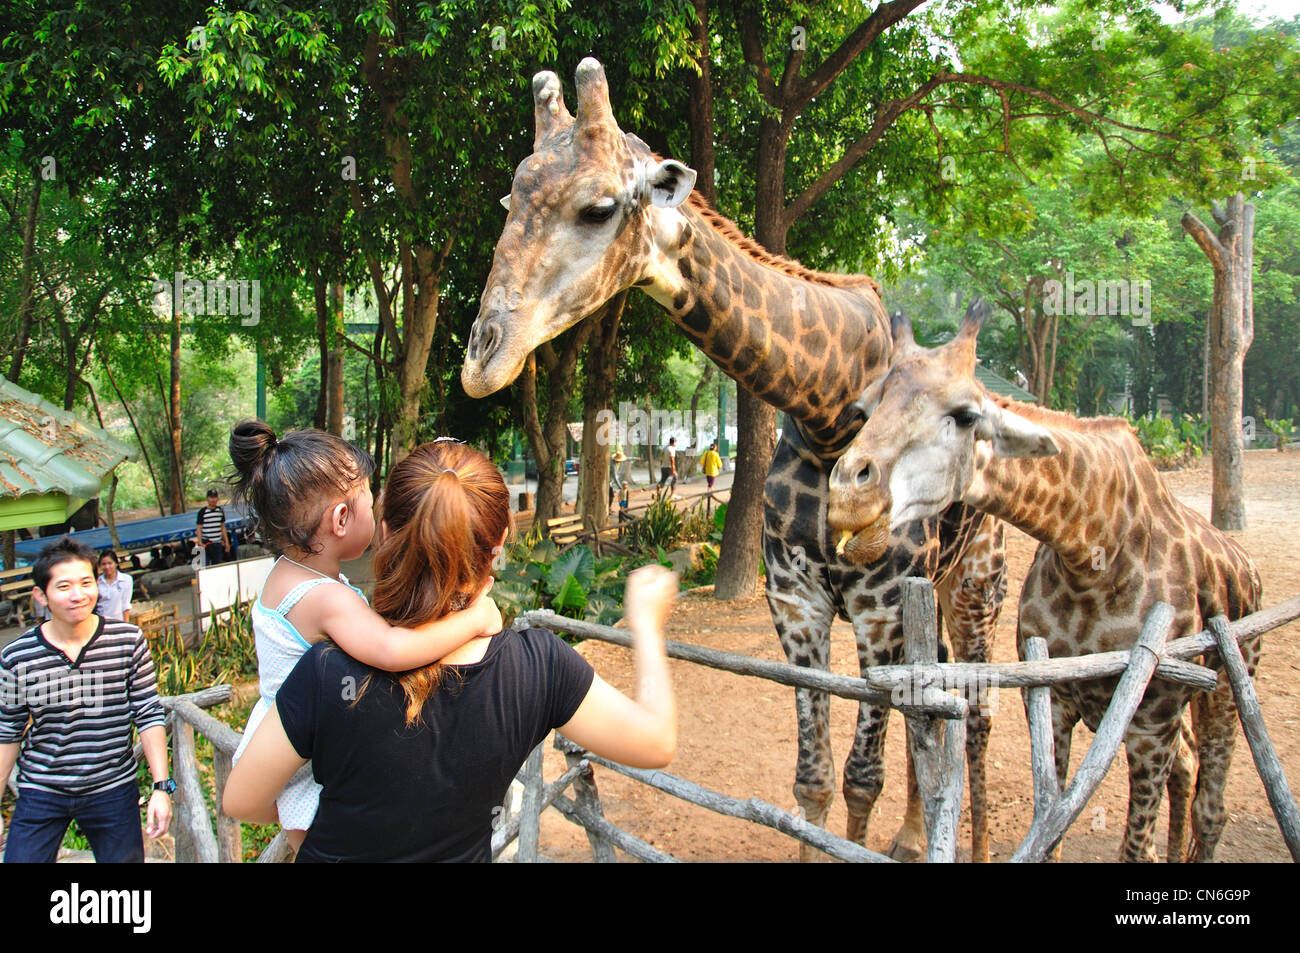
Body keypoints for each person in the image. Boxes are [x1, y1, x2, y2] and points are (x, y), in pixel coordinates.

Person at [224, 439, 678, 862]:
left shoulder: (325, 672)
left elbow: (242, 800)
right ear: (499, 545)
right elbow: (656, 742)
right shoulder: (541, 666)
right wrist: (646, 624)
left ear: (385, 531)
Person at [225, 421, 502, 853]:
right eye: (370, 503)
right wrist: (476, 617)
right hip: (301, 756)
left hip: (287, 733)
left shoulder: (290, 574)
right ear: (340, 519)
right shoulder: (325, 599)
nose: (377, 514)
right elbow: (393, 650)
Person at [0, 537, 172, 862]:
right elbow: (7, 731)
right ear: (41, 595)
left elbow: (149, 714)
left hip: (112, 787)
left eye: (86, 582)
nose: (78, 595)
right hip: (43, 787)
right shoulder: (17, 656)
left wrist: (162, 788)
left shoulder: (127, 641)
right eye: (64, 586)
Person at [195, 488, 231, 566]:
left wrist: (226, 542)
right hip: (206, 543)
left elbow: (223, 527)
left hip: (217, 544)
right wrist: (200, 542)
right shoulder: (202, 512)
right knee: (205, 566)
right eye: (211, 497)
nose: (213, 499)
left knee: (216, 566)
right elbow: (198, 528)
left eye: (215, 497)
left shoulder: (220, 511)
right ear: (207, 499)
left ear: (217, 498)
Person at [96, 550, 133, 623]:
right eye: (103, 564)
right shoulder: (97, 582)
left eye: (110, 563)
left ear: (116, 563)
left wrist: (126, 625)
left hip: (118, 620)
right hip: (101, 621)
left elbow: (125, 604)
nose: (107, 567)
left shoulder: (126, 579)